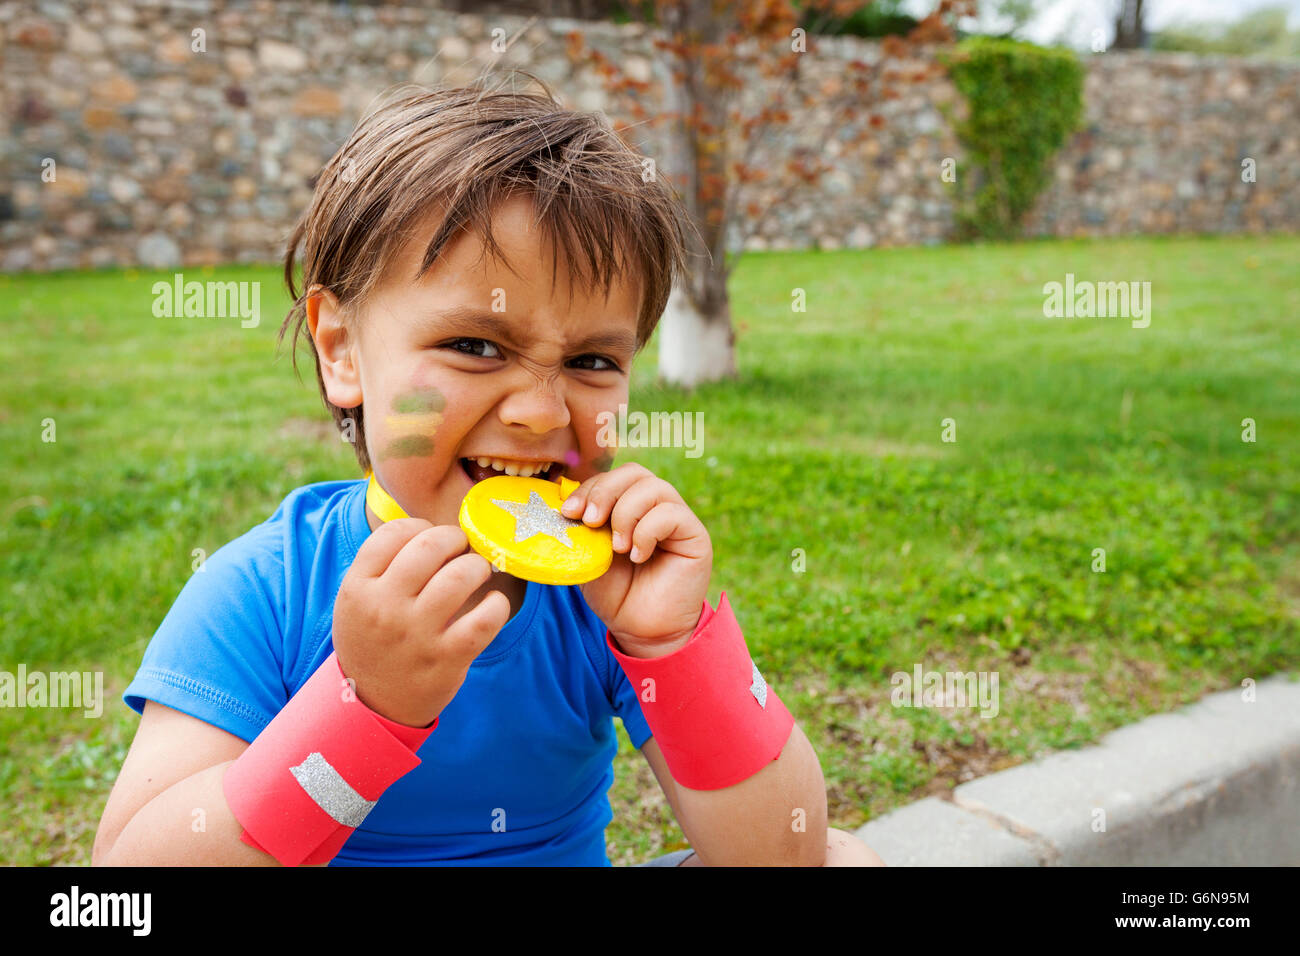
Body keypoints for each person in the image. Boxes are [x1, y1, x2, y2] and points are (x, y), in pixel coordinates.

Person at [92, 78, 884, 868]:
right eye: (476, 346)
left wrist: (670, 645)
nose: (541, 411)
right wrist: (364, 709)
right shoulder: (268, 588)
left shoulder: (601, 597)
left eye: (592, 360)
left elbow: (783, 857)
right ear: (341, 349)